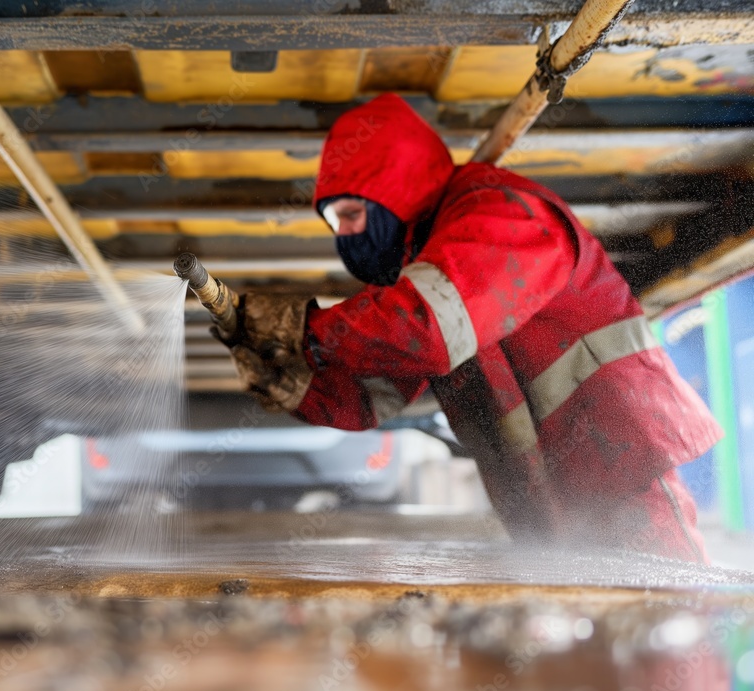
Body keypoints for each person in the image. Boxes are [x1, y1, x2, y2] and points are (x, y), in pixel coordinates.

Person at [227, 93, 721, 563]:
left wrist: (307, 331)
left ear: (397, 192)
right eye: (336, 226)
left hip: (618, 473)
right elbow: (370, 394)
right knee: (591, 642)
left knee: (667, 627)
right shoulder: (430, 267)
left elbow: (427, 328)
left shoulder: (502, 213)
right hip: (547, 497)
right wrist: (291, 382)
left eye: (353, 215)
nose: (346, 239)